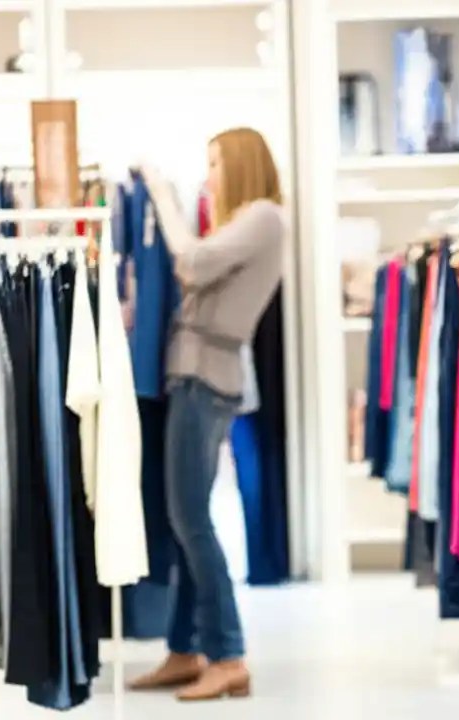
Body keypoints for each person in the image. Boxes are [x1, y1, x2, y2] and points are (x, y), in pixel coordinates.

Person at [128, 127, 286, 701]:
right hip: (196, 375)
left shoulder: (265, 216)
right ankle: (185, 647)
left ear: (242, 163)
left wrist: (163, 194)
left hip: (206, 379)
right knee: (184, 517)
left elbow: (192, 263)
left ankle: (227, 653)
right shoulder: (250, 219)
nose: (210, 174)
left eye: (217, 163)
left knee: (191, 517)